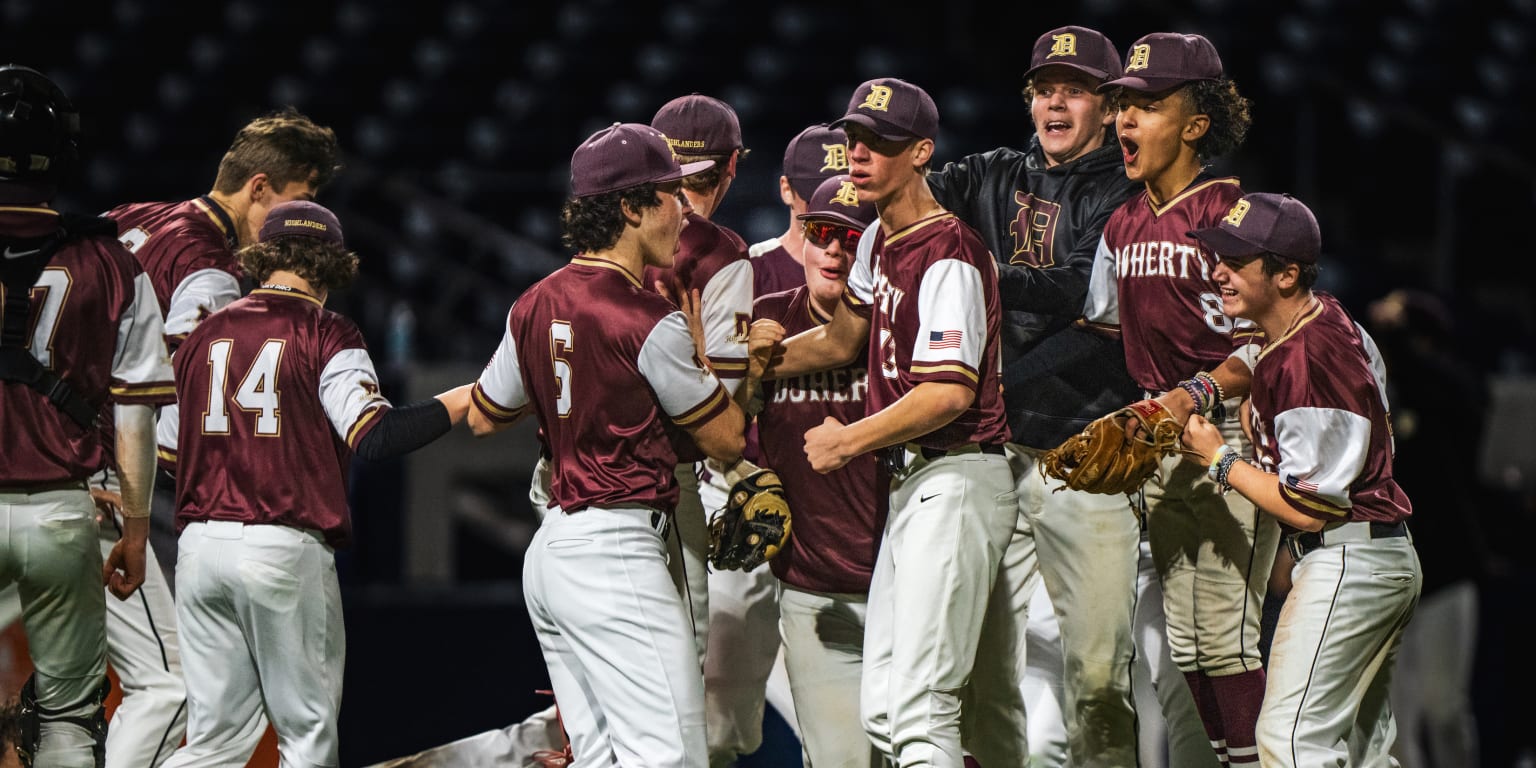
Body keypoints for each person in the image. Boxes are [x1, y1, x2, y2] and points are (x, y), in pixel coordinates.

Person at [751, 77, 1024, 768]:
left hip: (959, 474)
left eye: (882, 142)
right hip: (916, 485)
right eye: (855, 139)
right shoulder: (878, 240)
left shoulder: (949, 251)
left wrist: (850, 439)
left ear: (923, 151)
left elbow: (948, 393)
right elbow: (842, 342)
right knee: (884, 706)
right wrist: (750, 365)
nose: (861, 154)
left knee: (920, 712)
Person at [468, 121, 748, 765]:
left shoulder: (533, 302)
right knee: (671, 755)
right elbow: (728, 438)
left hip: (552, 551)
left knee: (600, 757)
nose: (684, 209)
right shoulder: (646, 316)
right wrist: (707, 357)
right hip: (618, 546)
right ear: (628, 206)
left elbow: (486, 415)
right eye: (670, 194)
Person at [157, 202, 470, 766]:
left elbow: (167, 453)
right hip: (282, 545)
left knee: (214, 743)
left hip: (200, 548)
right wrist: (467, 396)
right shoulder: (326, 330)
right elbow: (373, 435)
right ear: (332, 265)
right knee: (307, 737)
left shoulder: (204, 334)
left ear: (263, 257)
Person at [926, 26, 1156, 767]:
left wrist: (975, 274)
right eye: (1045, 88)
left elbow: (1082, 306)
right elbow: (903, 197)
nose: (1056, 101)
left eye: (1077, 89)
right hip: (995, 452)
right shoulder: (990, 172)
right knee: (985, 673)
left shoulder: (1129, 194)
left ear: (1110, 105)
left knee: (1095, 677)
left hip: (1083, 453)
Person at [92, 107, 337, 767]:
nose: (303, 219)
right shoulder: (214, 271)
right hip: (99, 478)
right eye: (302, 197)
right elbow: (177, 406)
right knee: (167, 686)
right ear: (259, 188)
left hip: (31, 451)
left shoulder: (130, 216)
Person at [1081, 32, 1279, 766]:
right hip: (1160, 435)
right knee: (1190, 642)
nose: (1127, 121)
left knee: (1226, 635)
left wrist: (1196, 391)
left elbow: (1272, 342)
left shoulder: (1239, 215)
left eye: (1150, 106)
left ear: (1197, 123)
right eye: (1123, 105)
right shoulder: (1123, 221)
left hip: (1229, 430)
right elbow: (1098, 323)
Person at [1181, 191, 1421, 766]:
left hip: (1346, 562)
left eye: (1237, 262)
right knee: (1362, 755)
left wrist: (1220, 460)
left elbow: (1309, 508)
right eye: (1220, 257)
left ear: (1287, 274)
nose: (1219, 272)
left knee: (1290, 742)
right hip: (1375, 557)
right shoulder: (1324, 318)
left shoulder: (1307, 359)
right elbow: (1262, 357)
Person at [0, 64, 171, 767]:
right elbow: (135, 417)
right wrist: (133, 531)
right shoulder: (111, 261)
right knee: (70, 722)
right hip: (63, 513)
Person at [645, 93, 767, 766]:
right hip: (662, 482)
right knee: (676, 686)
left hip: (568, 492)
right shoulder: (719, 253)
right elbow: (716, 420)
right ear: (733, 167)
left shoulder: (605, 231)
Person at [753, 173, 883, 766]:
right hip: (811, 590)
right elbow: (722, 433)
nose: (833, 249)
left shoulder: (898, 327)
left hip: (902, 586)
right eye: (821, 232)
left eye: (851, 238)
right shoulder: (762, 320)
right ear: (802, 237)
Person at [1367, 289, 1485, 768]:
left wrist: (1398, 325)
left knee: (1445, 710)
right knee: (1395, 718)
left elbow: (1437, 384)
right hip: (1393, 577)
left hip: (1445, 574)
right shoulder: (1382, 402)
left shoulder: (1453, 391)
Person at [749, 123, 848, 297]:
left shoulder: (877, 263)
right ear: (786, 190)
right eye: (816, 200)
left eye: (845, 197)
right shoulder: (756, 265)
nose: (830, 210)